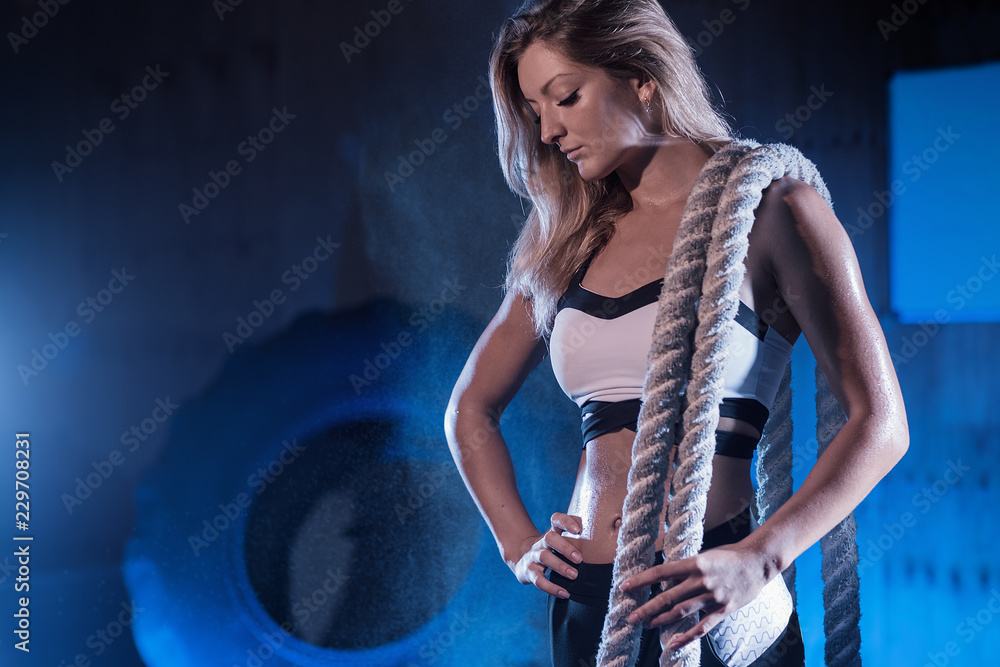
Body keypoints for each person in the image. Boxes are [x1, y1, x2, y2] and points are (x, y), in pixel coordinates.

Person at [443, 0, 909, 665]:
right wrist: (517, 544)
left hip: (717, 590)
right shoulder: (561, 239)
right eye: (534, 111)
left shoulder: (774, 212)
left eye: (564, 98)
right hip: (586, 602)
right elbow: (470, 411)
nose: (546, 131)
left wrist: (759, 558)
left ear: (642, 76)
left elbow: (881, 423)